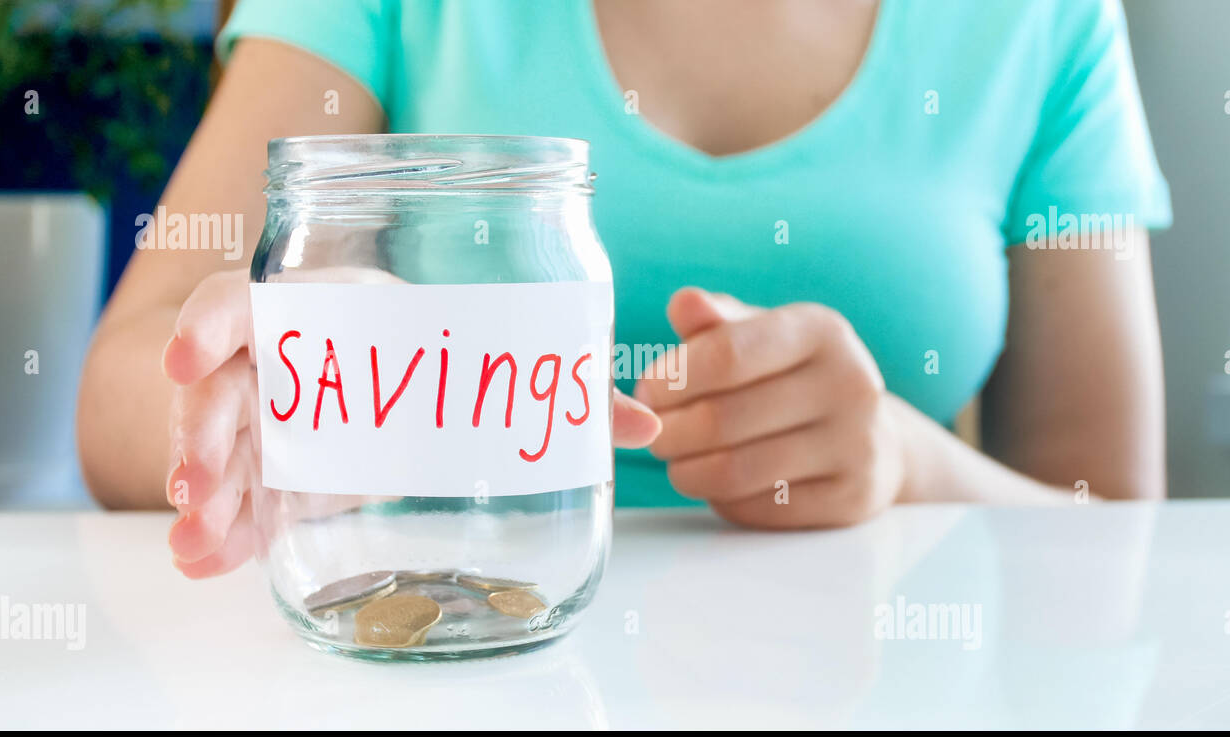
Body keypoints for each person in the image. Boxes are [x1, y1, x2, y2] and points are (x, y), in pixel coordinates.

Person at [76, 0, 1171, 579]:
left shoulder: (1047, 18)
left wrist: (903, 460)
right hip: (430, 659)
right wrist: (254, 412)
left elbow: (1121, 531)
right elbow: (129, 375)